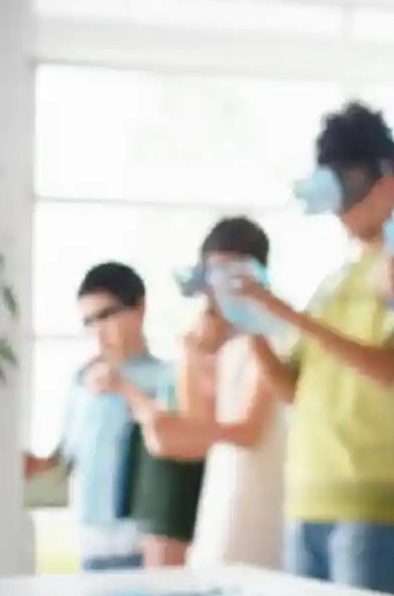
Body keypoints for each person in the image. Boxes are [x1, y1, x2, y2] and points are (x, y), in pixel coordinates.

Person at [241, 102, 394, 596]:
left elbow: (388, 368)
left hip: (373, 496)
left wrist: (284, 313)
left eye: (351, 183)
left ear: (388, 182)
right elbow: (290, 388)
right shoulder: (331, 282)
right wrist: (249, 322)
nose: (342, 205)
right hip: (307, 494)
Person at [114, 217, 286, 570]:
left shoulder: (275, 334)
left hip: (264, 503)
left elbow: (249, 430)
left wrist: (159, 421)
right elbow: (198, 424)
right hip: (222, 502)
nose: (218, 290)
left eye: (230, 275)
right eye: (213, 276)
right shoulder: (222, 344)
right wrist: (192, 357)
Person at [24, 262, 173, 571]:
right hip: (89, 539)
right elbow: (67, 455)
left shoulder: (165, 378)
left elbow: (170, 442)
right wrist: (33, 465)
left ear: (140, 308)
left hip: (141, 539)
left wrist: (123, 388)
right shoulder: (81, 380)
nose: (98, 330)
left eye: (106, 315)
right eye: (89, 320)